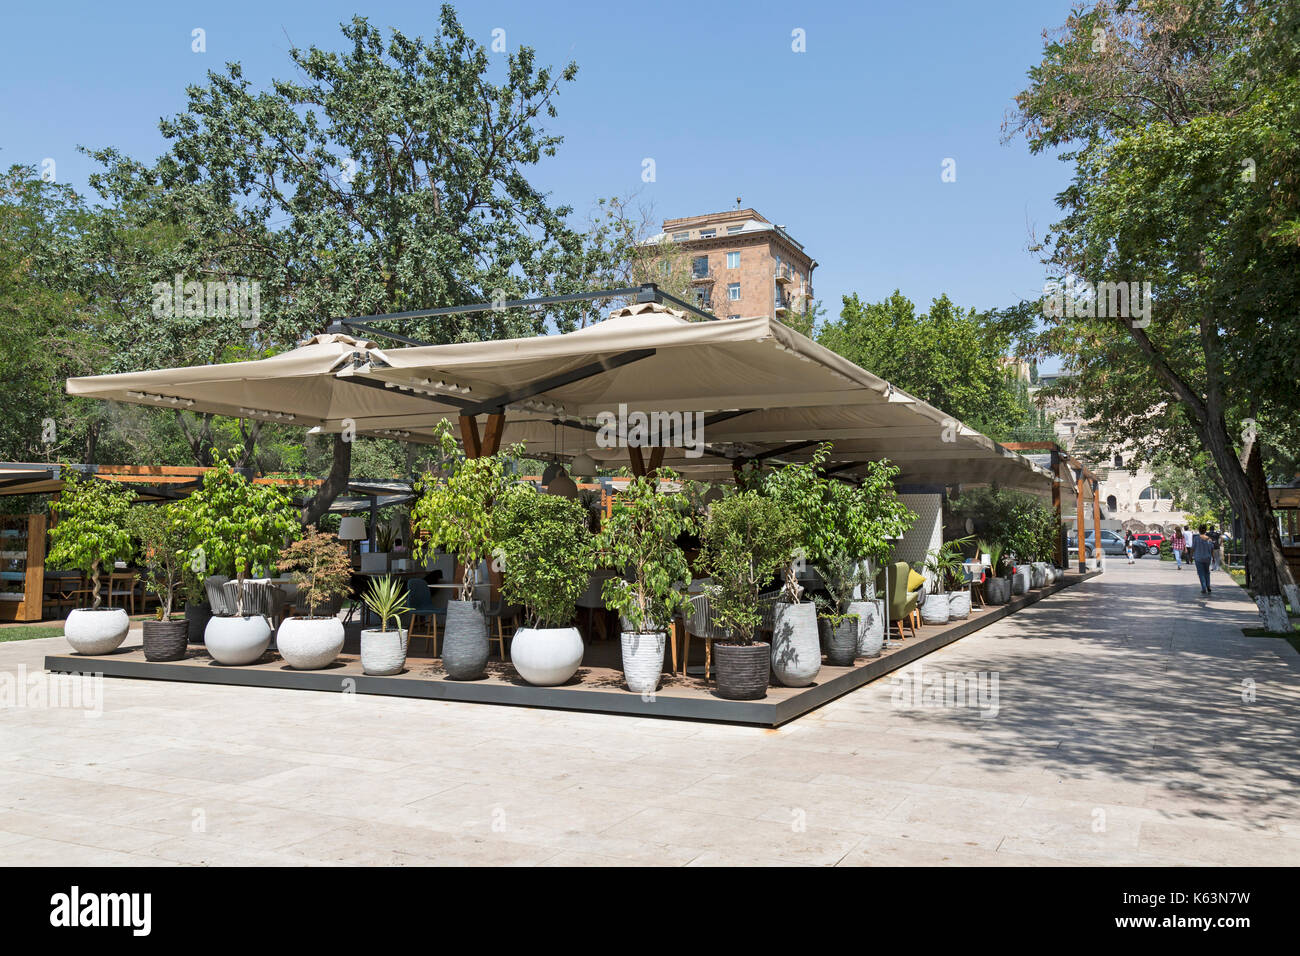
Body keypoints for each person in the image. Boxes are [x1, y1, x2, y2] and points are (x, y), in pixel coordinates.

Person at [1192, 524, 1215, 595]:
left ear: (1199, 530)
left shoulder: (1196, 539)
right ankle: (1208, 585)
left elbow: (1193, 548)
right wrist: (1213, 557)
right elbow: (1212, 550)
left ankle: (1204, 588)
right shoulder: (1209, 539)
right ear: (1205, 530)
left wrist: (1190, 556)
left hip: (1198, 558)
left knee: (1201, 573)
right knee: (1207, 572)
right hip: (1207, 558)